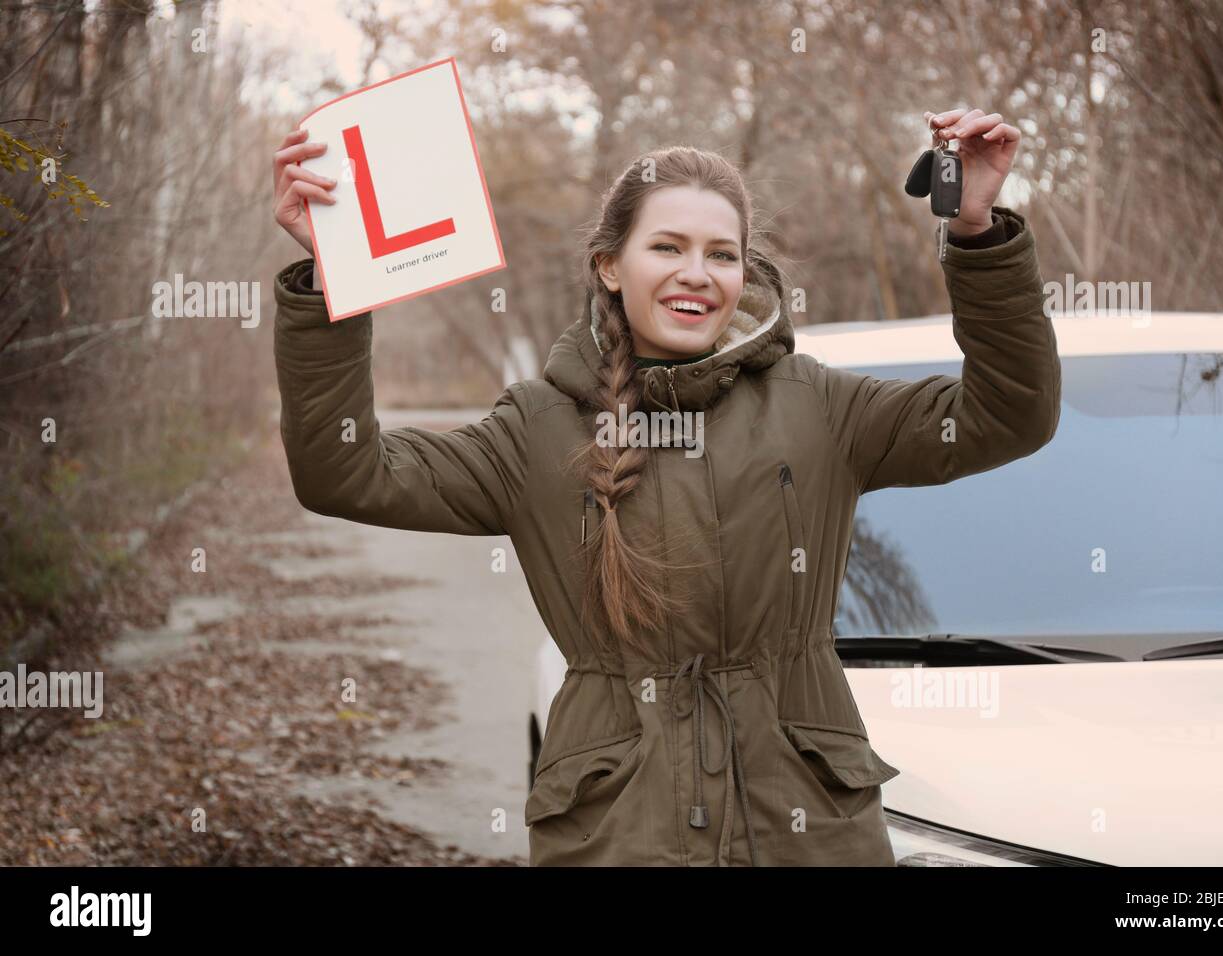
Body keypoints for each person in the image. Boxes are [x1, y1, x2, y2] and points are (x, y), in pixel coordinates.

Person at [269, 107, 1062, 866]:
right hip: (618, 834)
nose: (698, 274)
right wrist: (329, 287)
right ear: (611, 265)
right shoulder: (536, 430)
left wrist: (976, 231)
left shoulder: (819, 405)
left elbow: (1008, 415)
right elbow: (346, 470)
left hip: (808, 832)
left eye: (723, 254)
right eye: (668, 248)